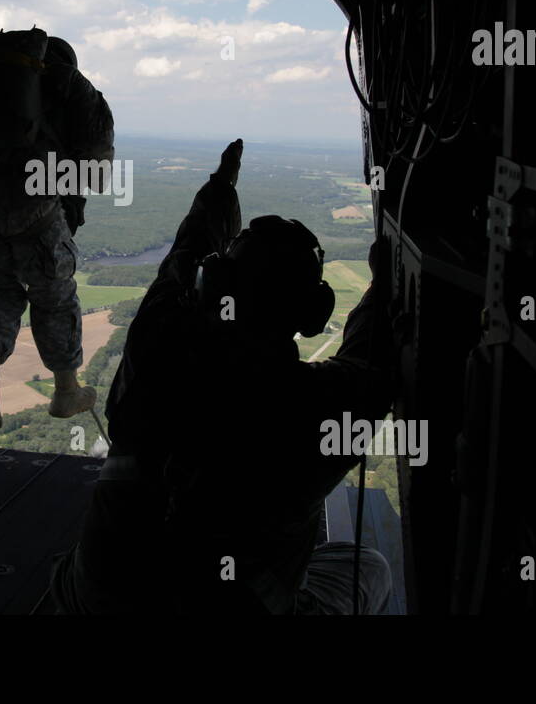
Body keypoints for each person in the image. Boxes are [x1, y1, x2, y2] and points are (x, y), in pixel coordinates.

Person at [50, 139, 396, 614]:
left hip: (98, 593)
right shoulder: (315, 404)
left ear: (213, 284)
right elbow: (372, 363)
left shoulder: (155, 339)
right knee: (369, 566)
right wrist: (381, 284)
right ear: (313, 313)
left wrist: (222, 185)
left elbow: (188, 249)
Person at [0, 35, 114, 429]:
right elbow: (98, 173)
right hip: (33, 208)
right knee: (53, 296)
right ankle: (65, 390)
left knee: (0, 291)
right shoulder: (76, 89)